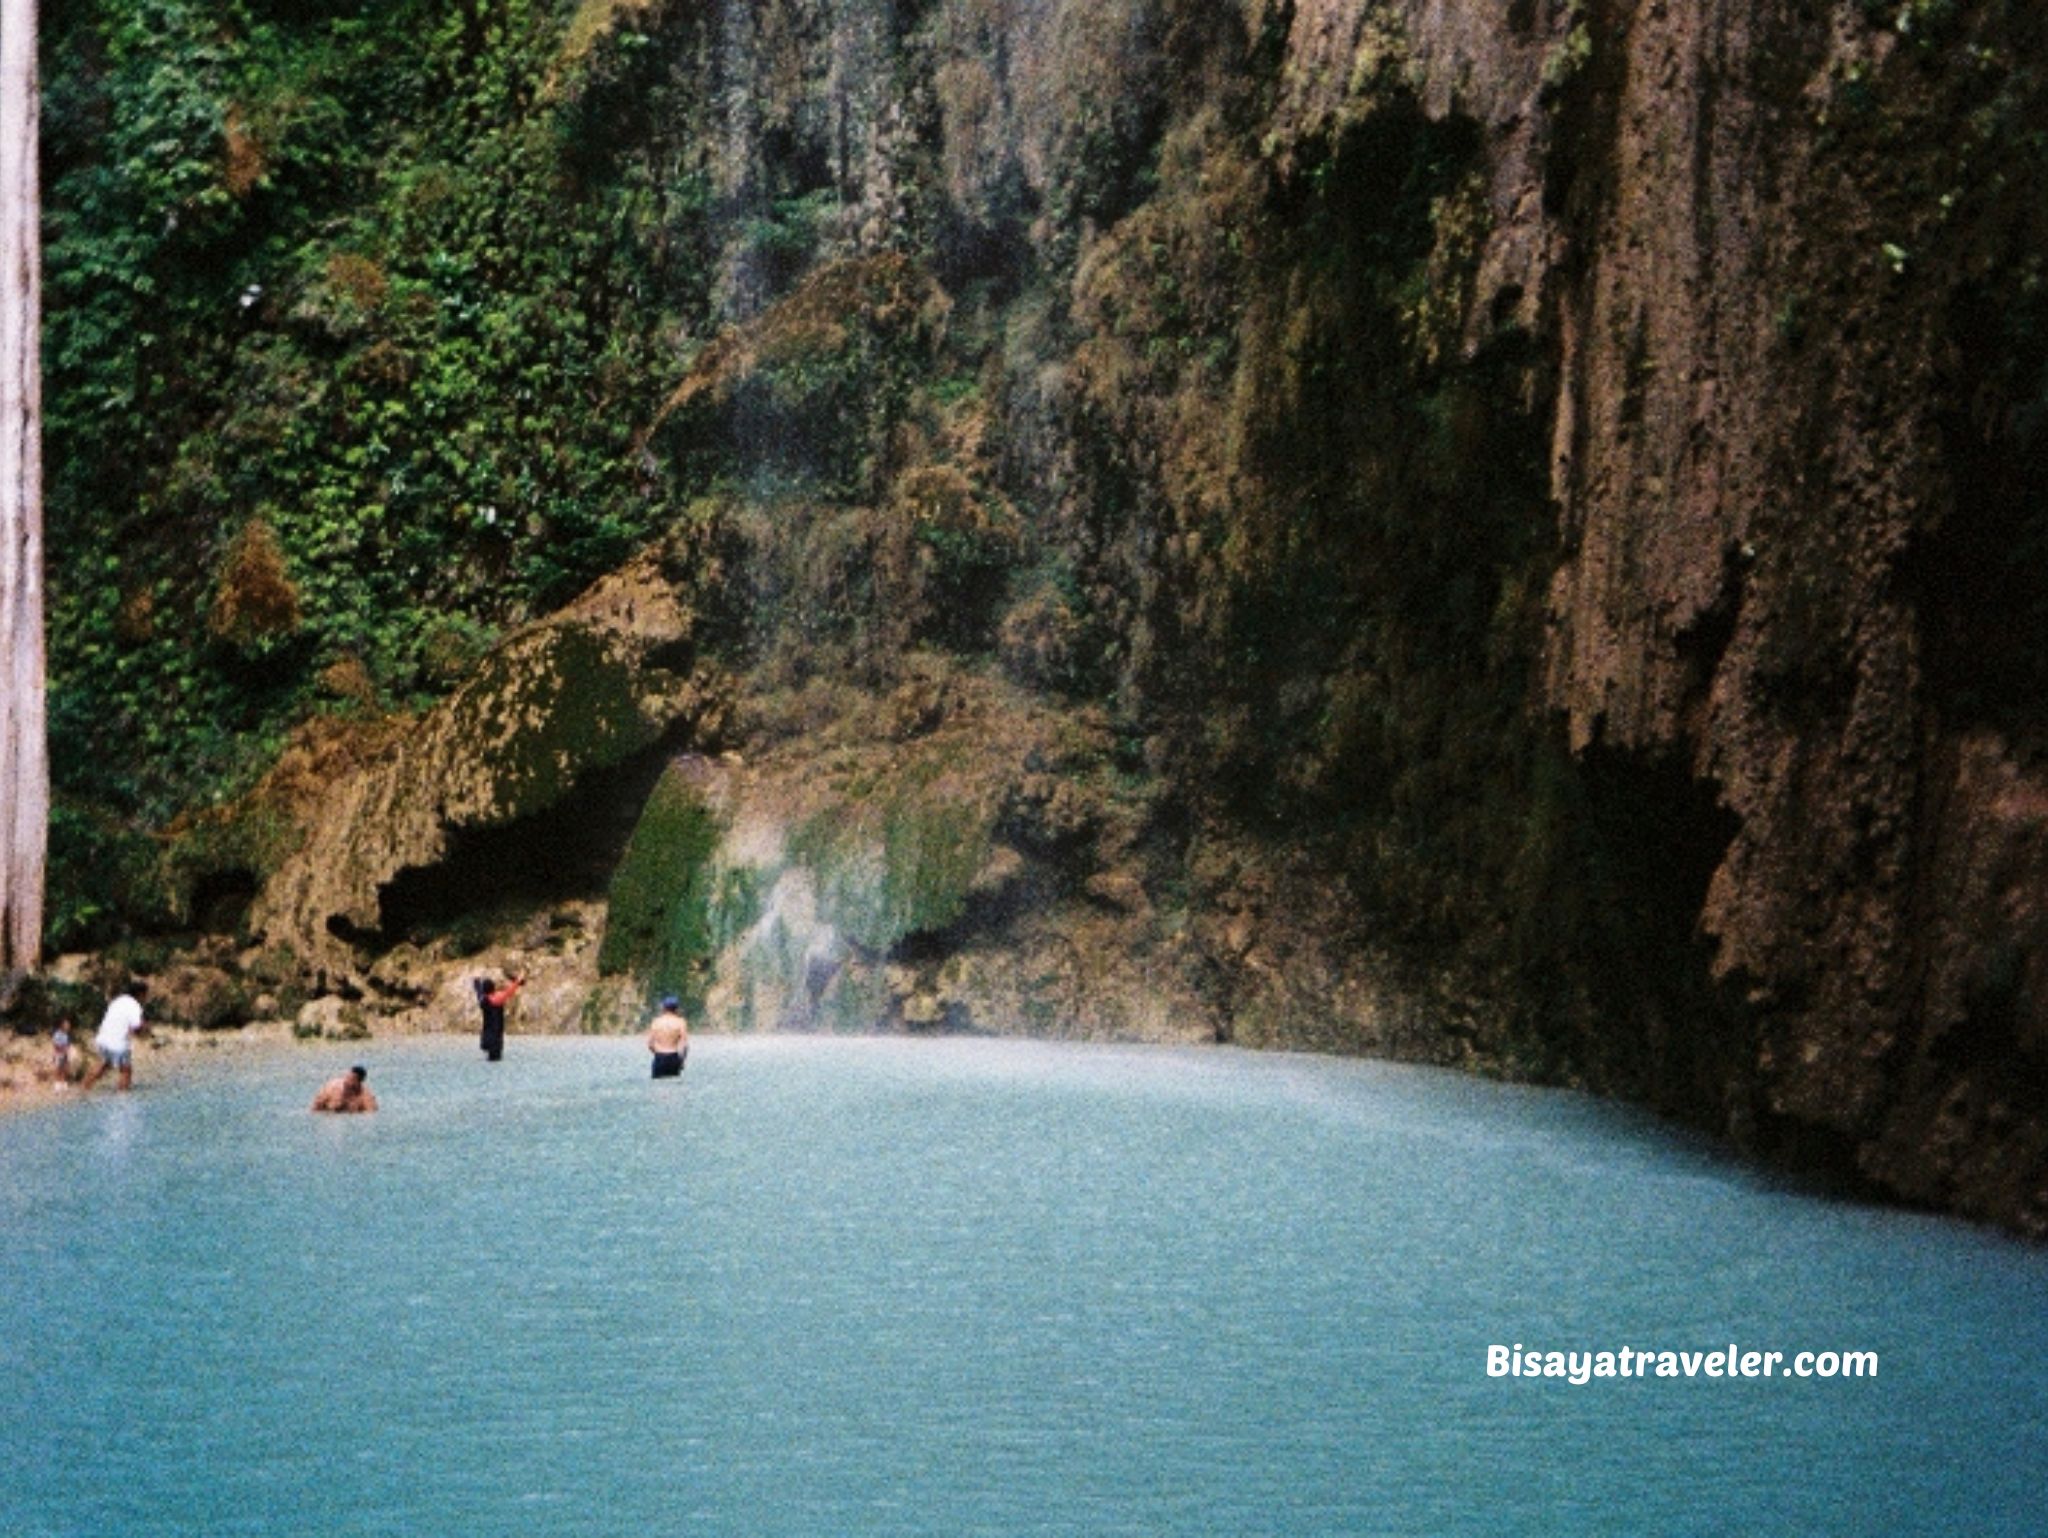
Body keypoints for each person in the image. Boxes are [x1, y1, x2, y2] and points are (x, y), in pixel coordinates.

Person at [81, 982, 150, 1092]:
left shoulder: (118, 1000)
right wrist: (146, 1028)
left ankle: (84, 1089)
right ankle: (122, 1097)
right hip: (118, 1042)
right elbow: (137, 1026)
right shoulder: (135, 1006)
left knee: (104, 1064)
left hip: (103, 1039)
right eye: (146, 995)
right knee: (126, 1070)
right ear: (140, 994)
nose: (146, 998)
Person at [474, 971, 527, 1062]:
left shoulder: (482, 999)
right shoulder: (497, 998)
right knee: (496, 1059)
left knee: (490, 1059)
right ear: (493, 988)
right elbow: (509, 992)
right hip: (495, 1036)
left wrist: (477, 981)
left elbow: (478, 990)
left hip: (486, 1036)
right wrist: (518, 982)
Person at [645, 995, 690, 1080]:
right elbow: (685, 1045)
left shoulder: (656, 1022)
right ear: (676, 1008)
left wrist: (657, 1054)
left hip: (659, 1057)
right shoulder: (680, 1022)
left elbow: (650, 1044)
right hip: (673, 1058)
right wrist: (682, 1061)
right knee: (674, 1084)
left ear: (664, 1008)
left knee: (657, 1085)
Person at [311, 1065, 378, 1114]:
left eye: (351, 1079)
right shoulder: (331, 1088)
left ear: (359, 1083)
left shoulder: (366, 1097)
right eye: (347, 1077)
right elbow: (314, 1109)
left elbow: (372, 1113)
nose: (346, 1082)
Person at [51, 1019, 75, 1085]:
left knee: (65, 1068)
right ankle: (57, 1083)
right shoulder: (57, 1034)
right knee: (58, 1069)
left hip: (65, 1053)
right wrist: (63, 1049)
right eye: (66, 1025)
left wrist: (68, 1050)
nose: (68, 1027)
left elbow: (67, 1044)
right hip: (58, 1054)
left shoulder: (66, 1035)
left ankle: (63, 1082)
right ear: (62, 1026)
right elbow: (55, 1045)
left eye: (68, 1025)